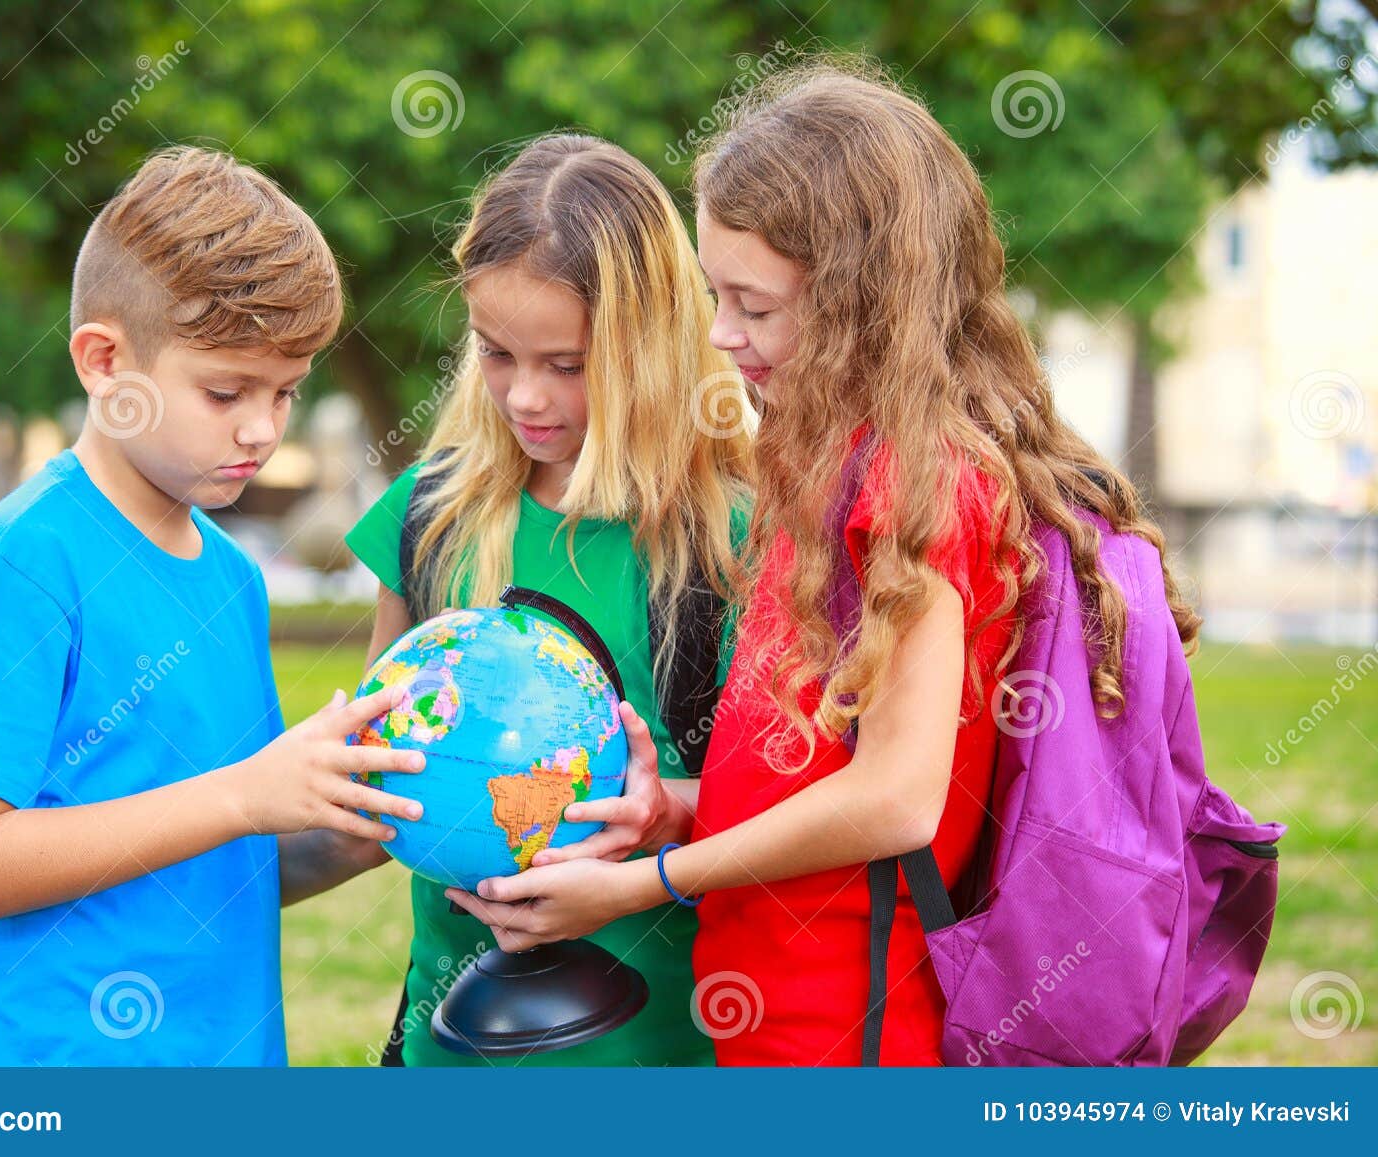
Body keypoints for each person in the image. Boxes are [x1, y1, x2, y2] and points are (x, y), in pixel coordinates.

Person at [446, 57, 1202, 1066]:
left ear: (858, 300)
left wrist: (645, 882)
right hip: (773, 1015)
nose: (720, 333)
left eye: (753, 305)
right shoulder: (829, 464)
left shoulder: (915, 480)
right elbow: (808, 766)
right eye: (717, 295)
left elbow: (895, 795)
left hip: (854, 1033)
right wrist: (670, 806)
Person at [0, 146, 424, 1066]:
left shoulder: (233, 580)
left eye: (287, 391)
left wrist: (347, 830)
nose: (262, 427)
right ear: (104, 361)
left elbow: (210, 860)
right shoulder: (26, 557)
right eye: (225, 391)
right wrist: (245, 793)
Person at [340, 133, 755, 1066]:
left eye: (567, 364)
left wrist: (669, 816)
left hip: (659, 1058)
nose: (526, 396)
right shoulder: (430, 516)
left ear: (651, 346)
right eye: (497, 353)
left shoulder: (733, 542)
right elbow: (379, 774)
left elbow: (797, 811)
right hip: (449, 1052)